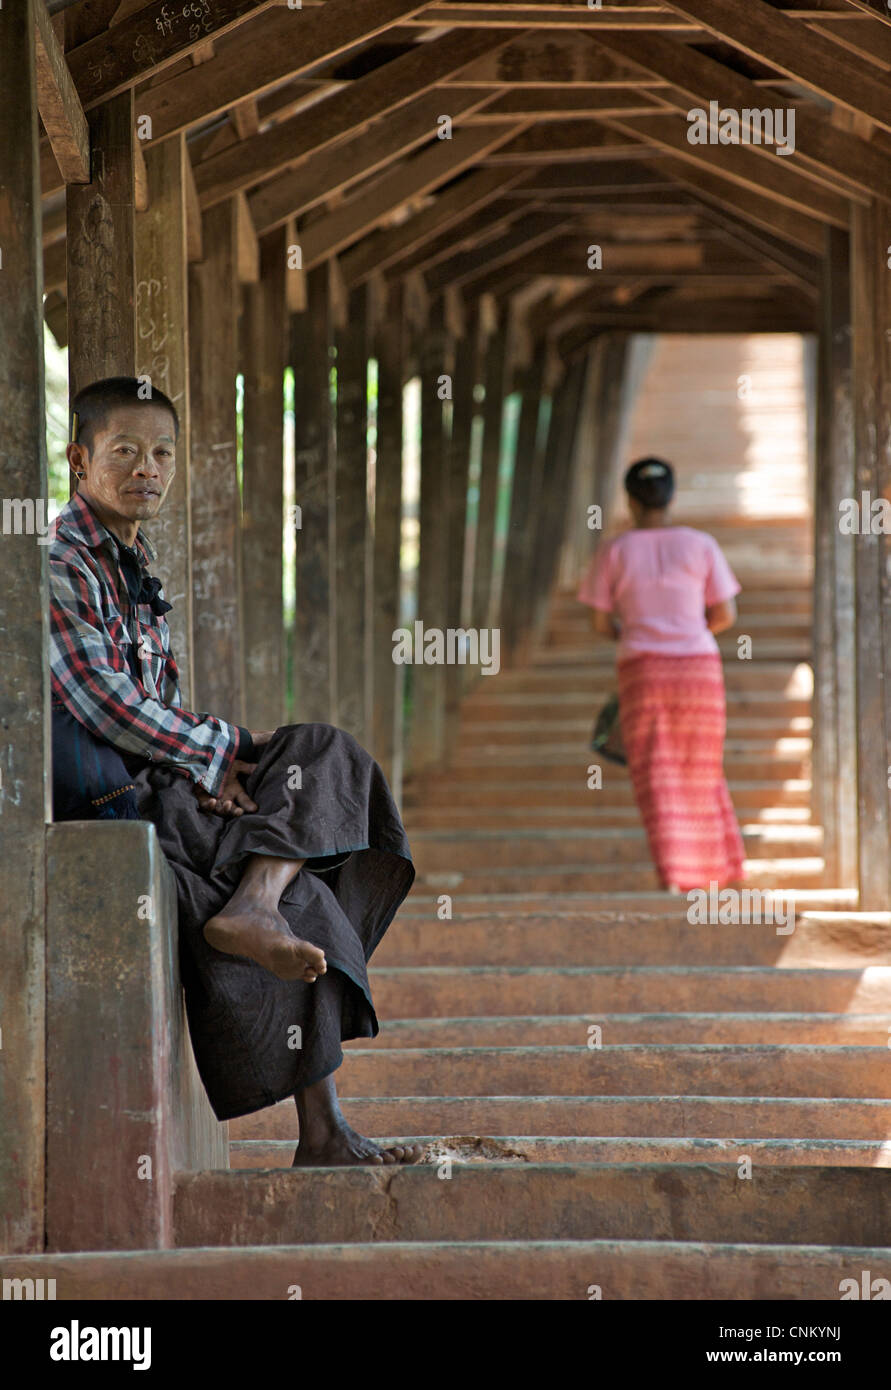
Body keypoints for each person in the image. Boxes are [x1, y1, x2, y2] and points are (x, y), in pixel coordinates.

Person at [50, 375, 423, 1167]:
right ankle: (321, 1130)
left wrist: (211, 767)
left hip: (167, 783)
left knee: (323, 752)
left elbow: (162, 705)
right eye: (124, 451)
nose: (147, 469)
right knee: (308, 892)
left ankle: (257, 902)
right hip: (109, 797)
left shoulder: (133, 565)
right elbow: (102, 700)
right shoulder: (59, 564)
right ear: (79, 460)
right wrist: (214, 752)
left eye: (162, 454)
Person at [577, 457, 745, 893]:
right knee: (702, 769)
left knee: (657, 777)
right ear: (671, 497)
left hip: (642, 672)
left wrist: (637, 632)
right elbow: (725, 615)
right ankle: (717, 870)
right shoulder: (700, 544)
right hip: (699, 671)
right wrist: (684, 632)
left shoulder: (614, 550)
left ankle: (675, 875)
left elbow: (598, 624)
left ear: (630, 501)